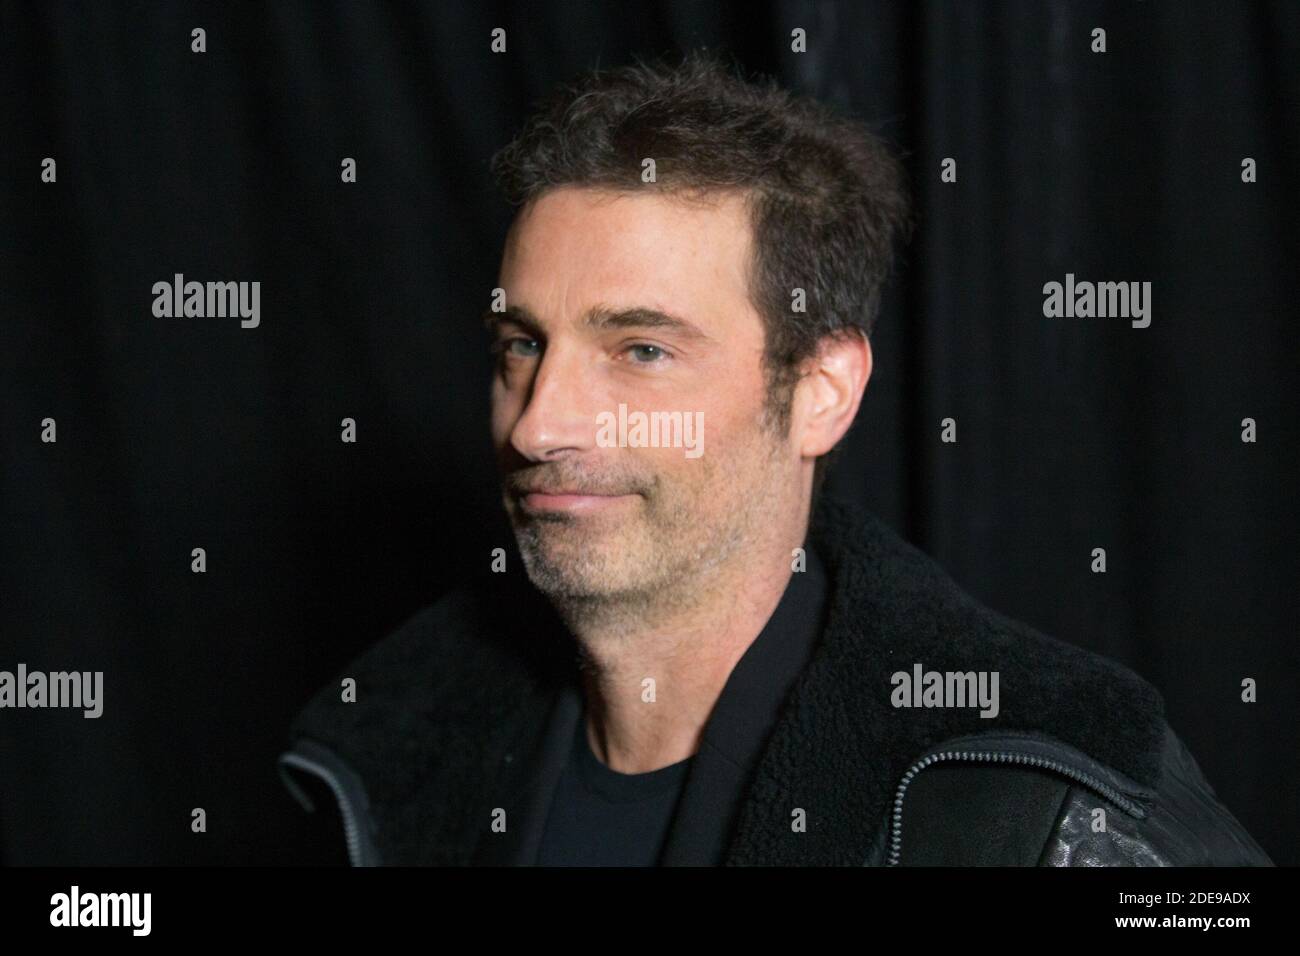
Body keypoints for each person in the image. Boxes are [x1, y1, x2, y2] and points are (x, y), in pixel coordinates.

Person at [278, 51, 1272, 866]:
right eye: (522, 346)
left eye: (641, 351)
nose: (540, 426)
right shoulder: (377, 757)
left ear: (820, 392)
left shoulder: (1036, 788)